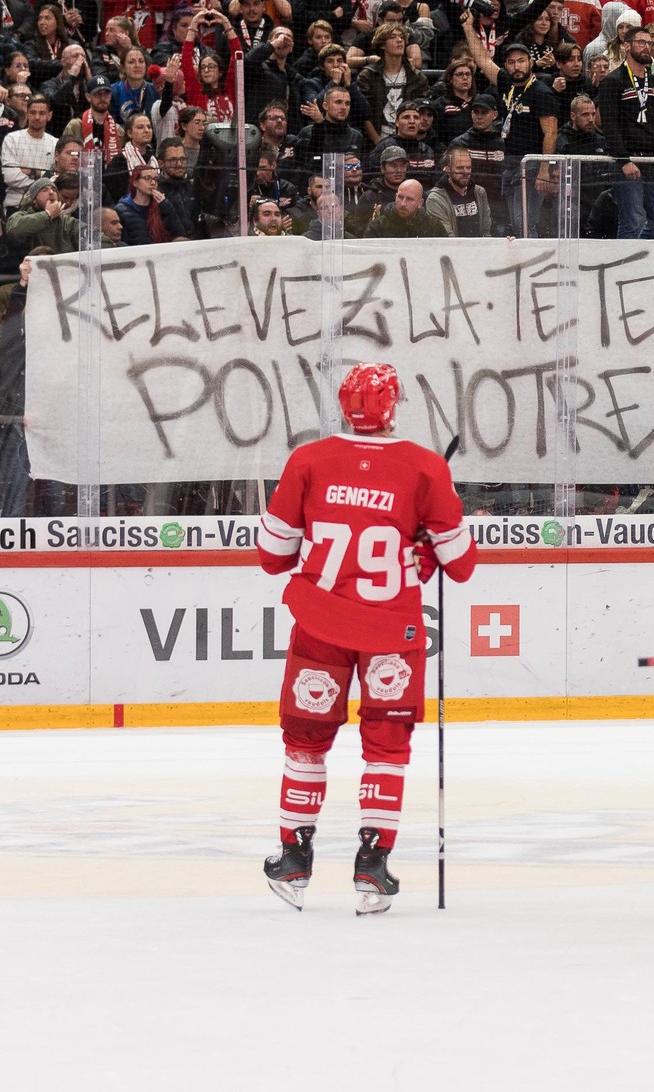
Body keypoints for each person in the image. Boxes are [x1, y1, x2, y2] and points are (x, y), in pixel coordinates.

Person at [256, 364, 479, 915]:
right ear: (394, 406)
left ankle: (293, 860)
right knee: (386, 747)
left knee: (305, 741)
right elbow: (461, 565)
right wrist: (427, 533)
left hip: (319, 627)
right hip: (390, 632)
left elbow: (271, 557)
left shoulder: (306, 460)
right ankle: (372, 868)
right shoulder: (426, 468)